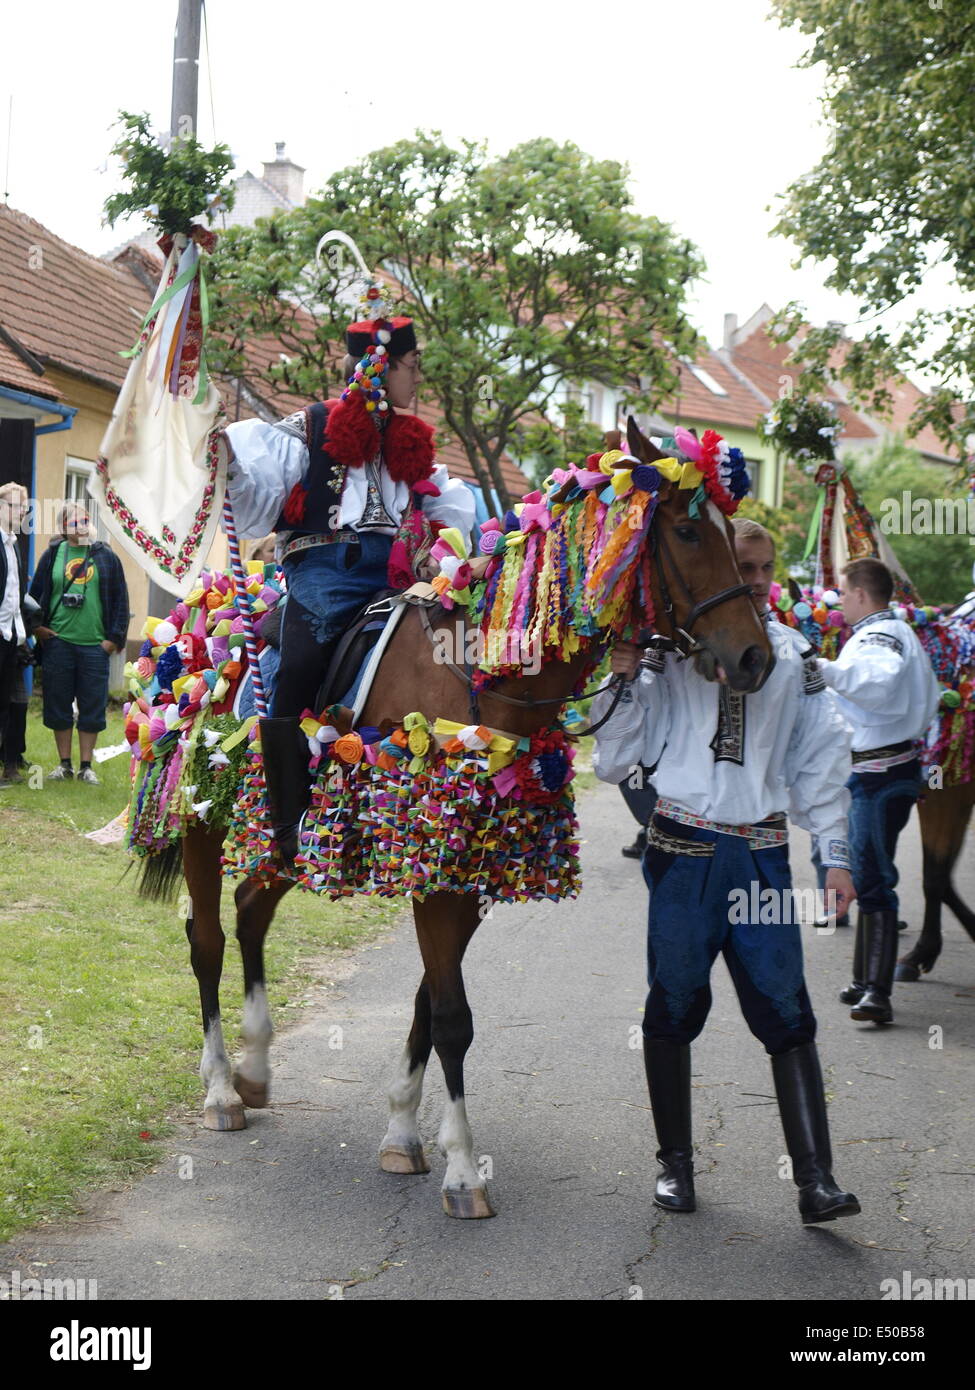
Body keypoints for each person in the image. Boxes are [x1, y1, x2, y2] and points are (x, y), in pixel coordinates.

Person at [593, 514, 860, 1224]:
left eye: (760, 569)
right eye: (738, 569)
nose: (751, 582)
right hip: (682, 854)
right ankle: (675, 1169)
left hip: (764, 860)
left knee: (787, 1012)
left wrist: (833, 858)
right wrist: (620, 681)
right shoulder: (667, 658)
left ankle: (815, 1183)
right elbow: (613, 760)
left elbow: (822, 768)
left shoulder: (797, 658)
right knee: (672, 1008)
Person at [219, 307, 475, 863]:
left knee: (455, 650)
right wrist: (228, 460)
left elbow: (451, 507)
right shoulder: (311, 427)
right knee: (301, 666)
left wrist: (448, 548)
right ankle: (285, 821)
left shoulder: (412, 443)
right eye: (411, 365)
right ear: (380, 367)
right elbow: (257, 487)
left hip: (396, 578)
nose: (417, 378)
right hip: (324, 576)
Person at [819, 558, 940, 1025]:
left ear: (862, 594)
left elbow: (877, 684)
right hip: (891, 766)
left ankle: (878, 992)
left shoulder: (878, 635)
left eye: (844, 591)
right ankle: (862, 980)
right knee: (869, 871)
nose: (840, 599)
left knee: (872, 876)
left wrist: (822, 668)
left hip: (878, 773)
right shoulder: (893, 629)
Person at [30, 503, 130, 784]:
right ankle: (64, 764)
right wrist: (36, 628)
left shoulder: (106, 557)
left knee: (92, 705)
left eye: (85, 519)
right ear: (64, 528)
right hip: (59, 642)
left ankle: (86, 766)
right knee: (58, 702)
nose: (81, 524)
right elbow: (35, 594)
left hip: (95, 645)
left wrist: (113, 640)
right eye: (74, 521)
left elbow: (121, 600)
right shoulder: (52, 555)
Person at [0, 483, 30, 789]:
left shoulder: (14, 543)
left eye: (23, 507)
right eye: (15, 506)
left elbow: (14, 593)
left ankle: (9, 765)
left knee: (6, 702)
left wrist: (20, 632)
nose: (21, 512)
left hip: (11, 635)